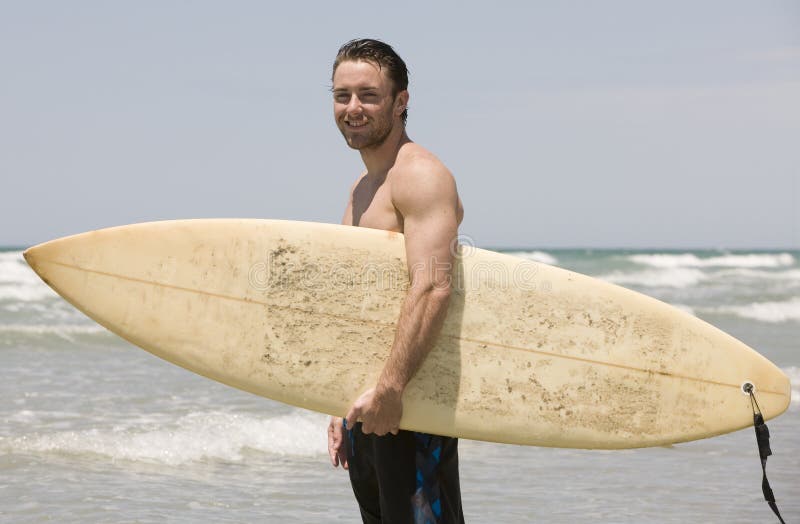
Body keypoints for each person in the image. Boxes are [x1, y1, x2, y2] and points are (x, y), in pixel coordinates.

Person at [325, 39, 466, 524]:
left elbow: (432, 288)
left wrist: (391, 389)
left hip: (410, 399)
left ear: (400, 101)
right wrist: (337, 403)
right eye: (342, 95)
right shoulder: (361, 189)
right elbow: (354, 305)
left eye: (368, 95)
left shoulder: (421, 175)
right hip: (370, 402)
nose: (353, 107)